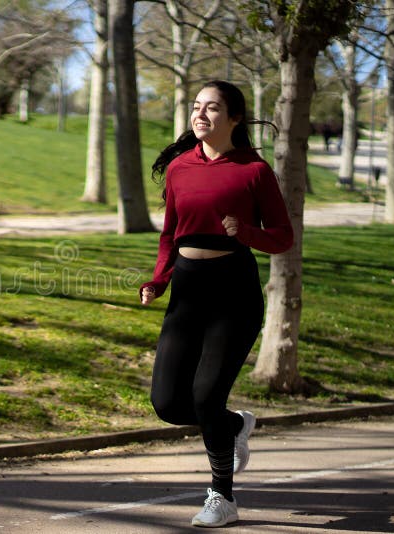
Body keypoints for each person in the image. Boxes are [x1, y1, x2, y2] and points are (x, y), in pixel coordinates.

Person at [140, 80, 293, 528]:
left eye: (212, 108)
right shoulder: (179, 168)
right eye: (196, 107)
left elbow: (283, 237)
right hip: (188, 289)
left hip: (233, 289)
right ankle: (233, 425)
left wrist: (245, 232)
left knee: (206, 395)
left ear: (234, 118)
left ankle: (222, 497)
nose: (200, 114)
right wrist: (159, 279)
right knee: (168, 403)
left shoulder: (254, 170)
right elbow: (171, 234)